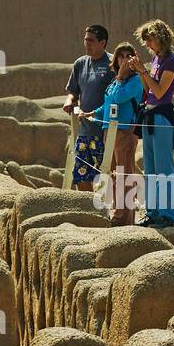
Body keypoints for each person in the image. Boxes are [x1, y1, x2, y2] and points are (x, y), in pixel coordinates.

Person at [80, 42, 143, 224]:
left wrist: (122, 76)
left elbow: (118, 98)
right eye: (120, 56)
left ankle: (124, 218)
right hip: (109, 130)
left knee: (124, 174)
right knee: (114, 175)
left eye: (127, 56)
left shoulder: (134, 81)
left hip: (124, 131)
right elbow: (108, 103)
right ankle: (118, 213)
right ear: (115, 59)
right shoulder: (117, 80)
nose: (124, 60)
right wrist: (94, 113)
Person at [130, 19, 174, 228]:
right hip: (149, 115)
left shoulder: (172, 61)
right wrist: (140, 71)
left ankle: (168, 215)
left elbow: (160, 92)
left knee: (164, 168)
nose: (148, 45)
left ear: (160, 38)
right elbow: (149, 90)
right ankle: (153, 212)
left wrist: (143, 71)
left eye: (150, 40)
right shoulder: (157, 60)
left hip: (161, 117)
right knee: (150, 168)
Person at [62, 24, 115, 192]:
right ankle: (88, 210)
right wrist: (69, 100)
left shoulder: (113, 64)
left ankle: (106, 212)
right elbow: (73, 91)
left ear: (103, 42)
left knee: (106, 175)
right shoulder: (80, 64)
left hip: (105, 131)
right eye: (86, 40)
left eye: (91, 40)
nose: (87, 44)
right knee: (80, 174)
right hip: (84, 131)